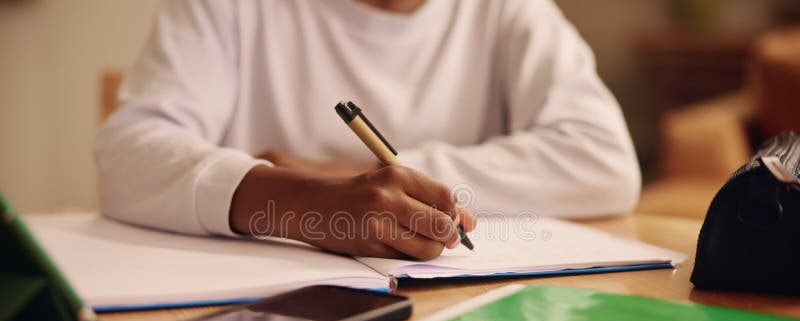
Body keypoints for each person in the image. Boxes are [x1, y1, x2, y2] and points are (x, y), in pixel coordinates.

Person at [95, 0, 641, 260]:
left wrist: (356, 178)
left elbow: (605, 160)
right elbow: (127, 152)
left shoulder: (509, 10)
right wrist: (295, 201)